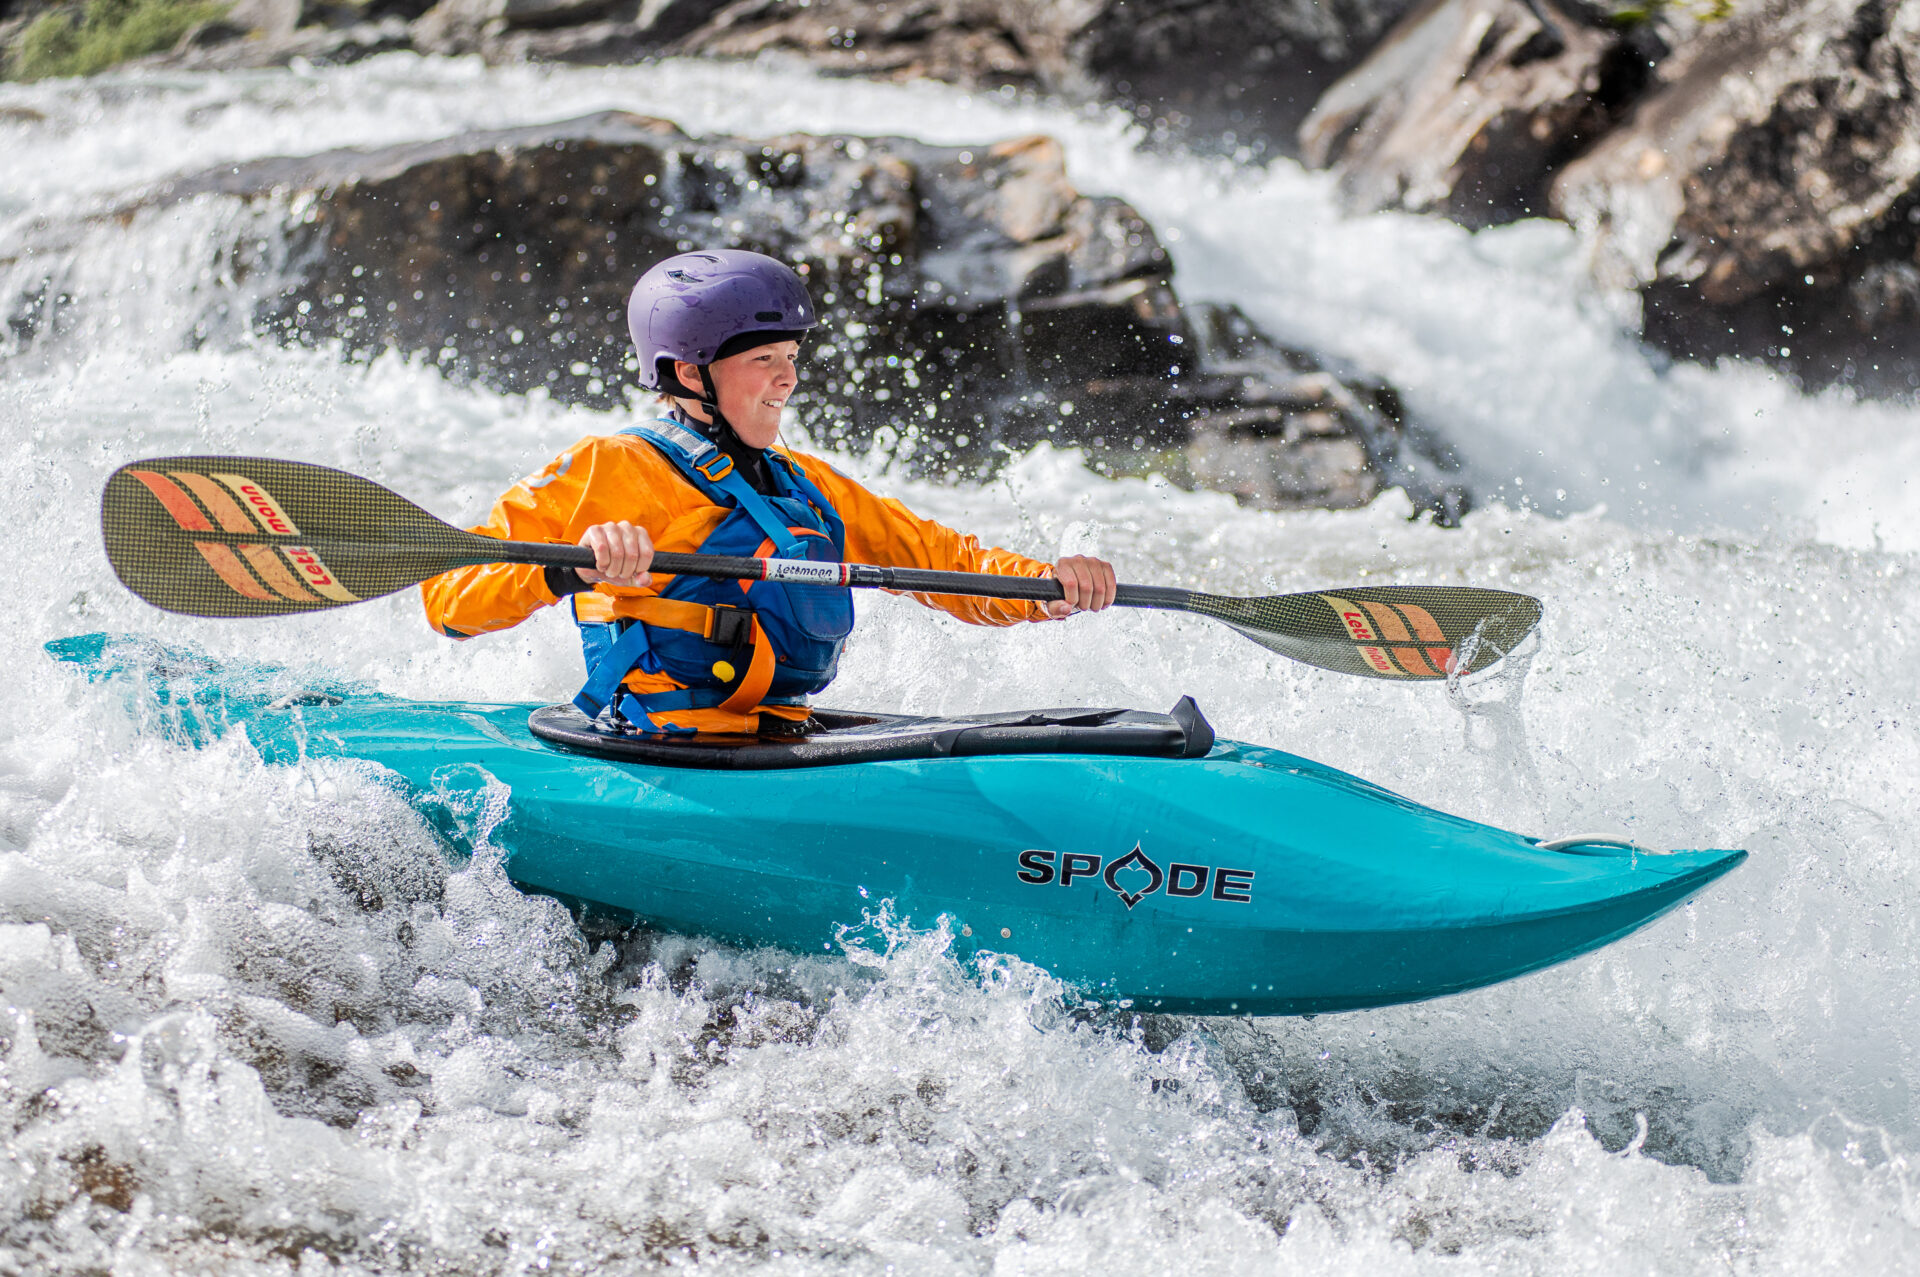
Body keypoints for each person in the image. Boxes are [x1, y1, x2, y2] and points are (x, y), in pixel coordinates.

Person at [422, 248, 1117, 736]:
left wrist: (1048, 585)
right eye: (763, 361)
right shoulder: (611, 468)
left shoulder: (808, 485)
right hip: (662, 743)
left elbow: (941, 560)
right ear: (691, 376)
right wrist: (569, 566)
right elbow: (450, 599)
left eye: (790, 359)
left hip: (777, 738)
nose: (786, 380)